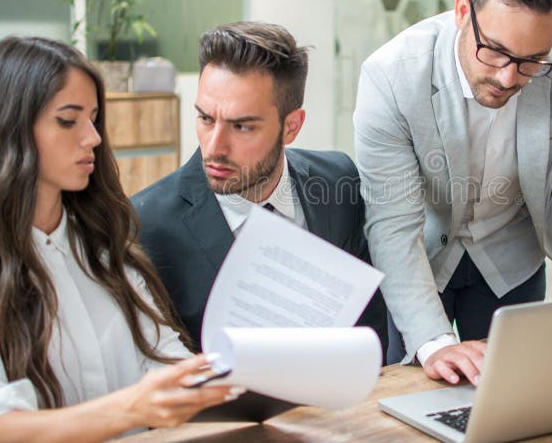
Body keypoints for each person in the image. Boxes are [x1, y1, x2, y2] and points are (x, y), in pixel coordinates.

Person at [354, 0, 552, 386]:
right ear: (464, 10)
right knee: (418, 398)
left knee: (518, 396)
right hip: (421, 260)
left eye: (532, 61)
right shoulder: (390, 76)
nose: (508, 77)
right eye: (496, 52)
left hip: (511, 257)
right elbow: (392, 223)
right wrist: (434, 342)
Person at [0, 37, 241, 442]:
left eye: (94, 119)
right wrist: (132, 407)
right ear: (7, 128)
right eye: (68, 120)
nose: (94, 138)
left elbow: (164, 356)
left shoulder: (101, 243)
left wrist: (249, 378)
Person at [132, 22, 388, 357]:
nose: (215, 147)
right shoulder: (146, 224)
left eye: (242, 126)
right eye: (206, 119)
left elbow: (371, 330)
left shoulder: (339, 181)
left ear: (291, 126)